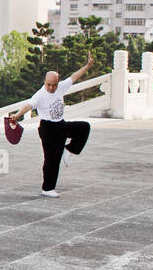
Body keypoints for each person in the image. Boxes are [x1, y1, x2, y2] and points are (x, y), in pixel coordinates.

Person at [7, 51, 94, 197]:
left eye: (54, 85)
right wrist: (16, 116)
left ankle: (70, 150)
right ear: (44, 81)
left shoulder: (61, 87)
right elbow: (29, 105)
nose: (52, 88)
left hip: (61, 125)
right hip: (48, 129)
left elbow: (74, 76)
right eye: (49, 85)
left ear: (58, 82)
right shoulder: (40, 94)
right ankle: (47, 189)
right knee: (51, 159)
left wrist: (88, 66)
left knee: (84, 127)